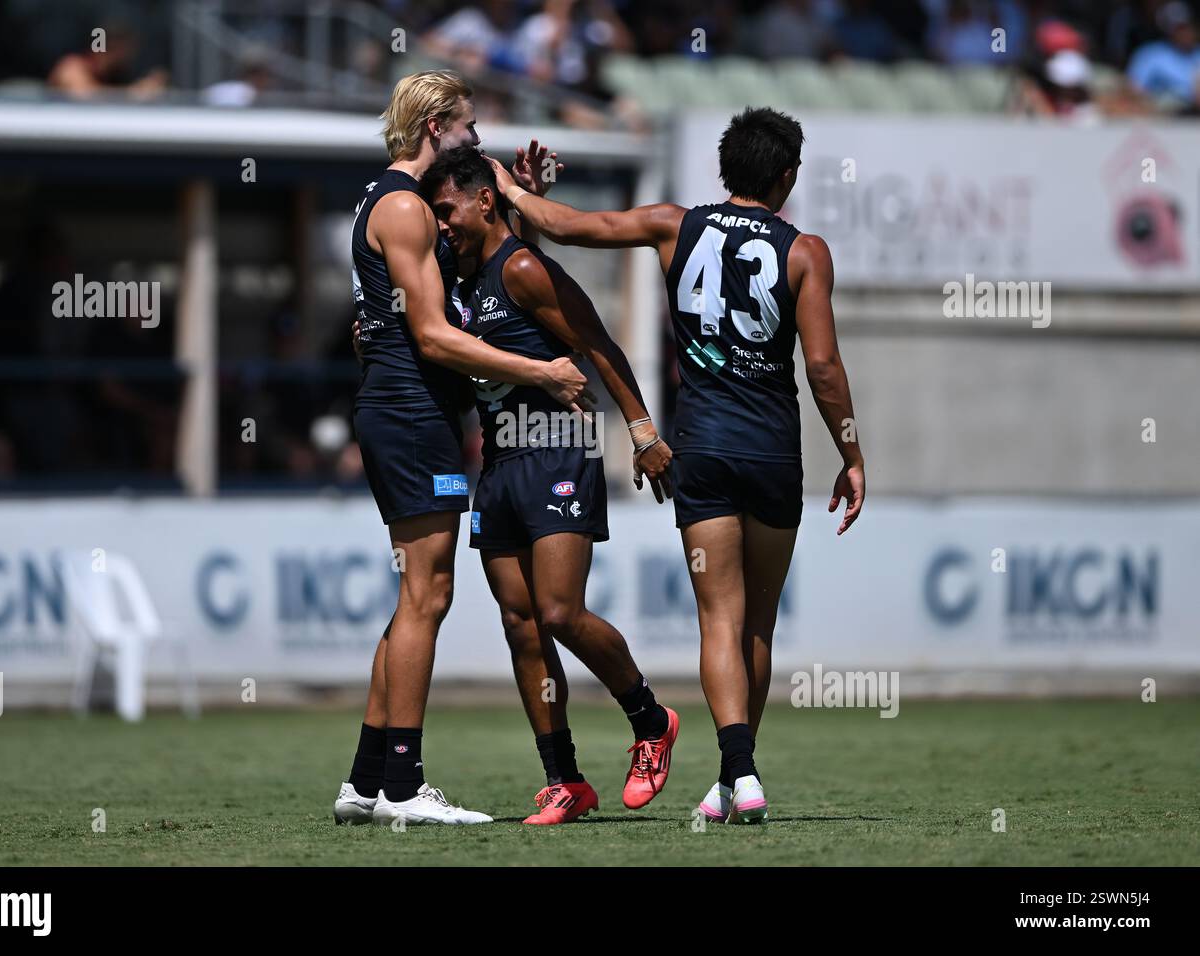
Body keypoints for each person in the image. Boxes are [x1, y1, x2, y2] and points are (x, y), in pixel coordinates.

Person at [487, 108, 866, 823]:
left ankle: (736, 777)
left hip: (703, 447)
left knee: (717, 618)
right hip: (773, 450)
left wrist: (514, 192)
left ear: (727, 169)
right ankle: (736, 777)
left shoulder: (673, 223)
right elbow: (821, 367)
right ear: (786, 176)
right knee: (757, 621)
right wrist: (850, 452)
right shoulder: (806, 251)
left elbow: (570, 227)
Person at [333, 70, 588, 827]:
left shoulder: (381, 202)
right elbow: (436, 335)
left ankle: (364, 782)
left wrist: (519, 207)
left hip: (400, 410)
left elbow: (395, 322)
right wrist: (542, 370)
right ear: (436, 123)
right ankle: (404, 790)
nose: (477, 140)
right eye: (469, 126)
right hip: (414, 416)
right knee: (428, 596)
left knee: (413, 597)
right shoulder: (407, 205)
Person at [420, 145, 679, 825]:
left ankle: (651, 722)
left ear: (483, 200)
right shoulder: (461, 276)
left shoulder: (526, 268)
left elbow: (597, 345)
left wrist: (643, 431)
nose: (439, 224)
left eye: (446, 210)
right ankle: (565, 780)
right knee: (522, 625)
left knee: (560, 612)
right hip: (499, 464)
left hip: (559, 453)